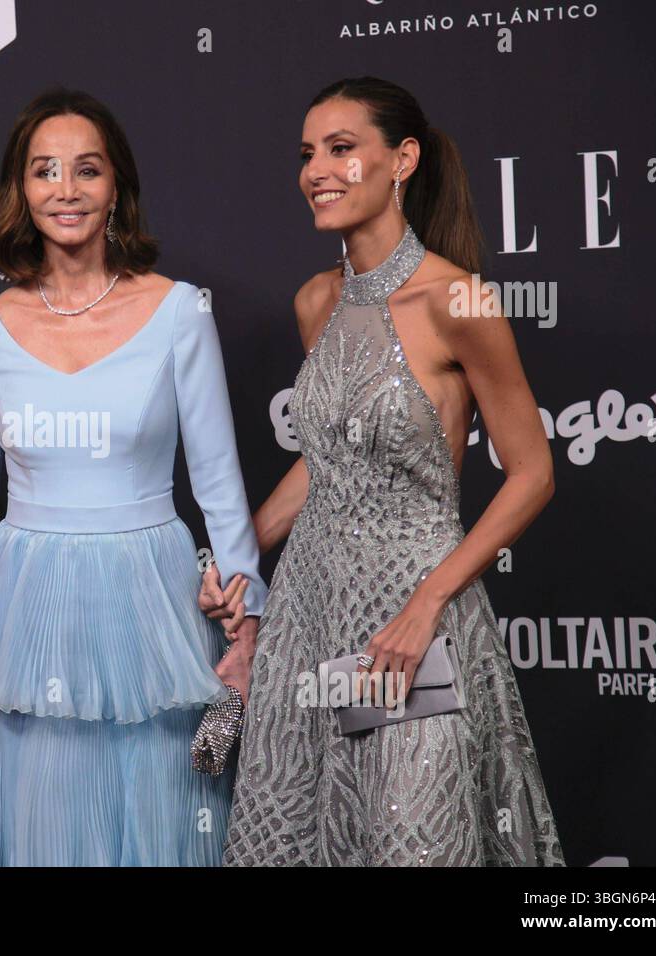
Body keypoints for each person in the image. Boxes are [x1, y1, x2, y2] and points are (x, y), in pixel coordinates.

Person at [0, 88, 265, 865]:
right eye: (45, 171)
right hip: (30, 602)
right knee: (38, 814)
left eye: (86, 170)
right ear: (19, 192)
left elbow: (219, 480)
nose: (66, 188)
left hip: (150, 598)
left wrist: (246, 615)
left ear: (116, 187)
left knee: (157, 810)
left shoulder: (179, 312)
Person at [219, 77, 565, 866]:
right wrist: (238, 555)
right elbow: (332, 459)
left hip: (406, 621)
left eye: (343, 149)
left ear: (402, 159)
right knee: (311, 836)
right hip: (311, 610)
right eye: (309, 154)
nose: (318, 170)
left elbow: (534, 471)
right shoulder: (315, 302)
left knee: (409, 838)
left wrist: (427, 602)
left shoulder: (457, 301)